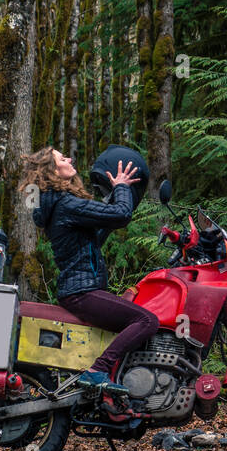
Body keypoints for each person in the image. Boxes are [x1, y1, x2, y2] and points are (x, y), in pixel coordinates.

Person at [18, 146, 159, 404]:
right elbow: (122, 215)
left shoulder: (60, 204)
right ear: (52, 170)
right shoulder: (66, 204)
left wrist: (107, 210)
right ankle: (97, 371)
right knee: (148, 321)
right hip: (82, 293)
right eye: (62, 158)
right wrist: (122, 186)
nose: (70, 159)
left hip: (80, 291)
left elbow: (96, 235)